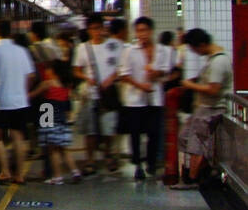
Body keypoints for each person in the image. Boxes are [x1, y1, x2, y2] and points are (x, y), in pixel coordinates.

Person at [172, 29, 232, 188]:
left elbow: (213, 89)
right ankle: (197, 172)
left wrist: (190, 85)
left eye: (193, 48)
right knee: (185, 137)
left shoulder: (218, 62)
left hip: (211, 108)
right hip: (204, 107)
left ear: (202, 45)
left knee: (196, 143)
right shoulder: (213, 59)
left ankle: (192, 179)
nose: (194, 52)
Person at [115, 16, 172, 180]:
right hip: (134, 100)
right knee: (135, 134)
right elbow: (124, 74)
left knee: (154, 132)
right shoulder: (129, 51)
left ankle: (152, 163)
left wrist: (156, 73)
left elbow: (165, 71)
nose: (142, 34)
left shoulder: (162, 50)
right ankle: (138, 165)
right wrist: (141, 86)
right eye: (139, 30)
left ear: (151, 31)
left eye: (145, 30)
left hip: (155, 99)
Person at [73, 13, 124, 173]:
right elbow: (76, 70)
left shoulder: (115, 45)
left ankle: (108, 156)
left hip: (108, 94)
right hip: (91, 95)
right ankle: (90, 160)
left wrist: (111, 79)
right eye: (92, 28)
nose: (96, 31)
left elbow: (122, 67)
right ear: (88, 30)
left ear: (103, 28)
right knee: (91, 130)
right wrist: (87, 78)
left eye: (98, 27)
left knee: (108, 128)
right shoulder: (83, 48)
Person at [0, 20, 35, 183]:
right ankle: (20, 175)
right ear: (10, 32)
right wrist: (23, 91)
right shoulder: (21, 51)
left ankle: (5, 171)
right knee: (18, 137)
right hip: (20, 100)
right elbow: (30, 76)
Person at [28, 59, 82, 184]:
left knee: (52, 151)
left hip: (48, 119)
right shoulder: (64, 86)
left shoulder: (47, 84)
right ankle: (75, 171)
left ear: (53, 71)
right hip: (62, 121)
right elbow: (68, 107)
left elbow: (32, 95)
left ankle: (57, 177)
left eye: (48, 69)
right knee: (64, 148)